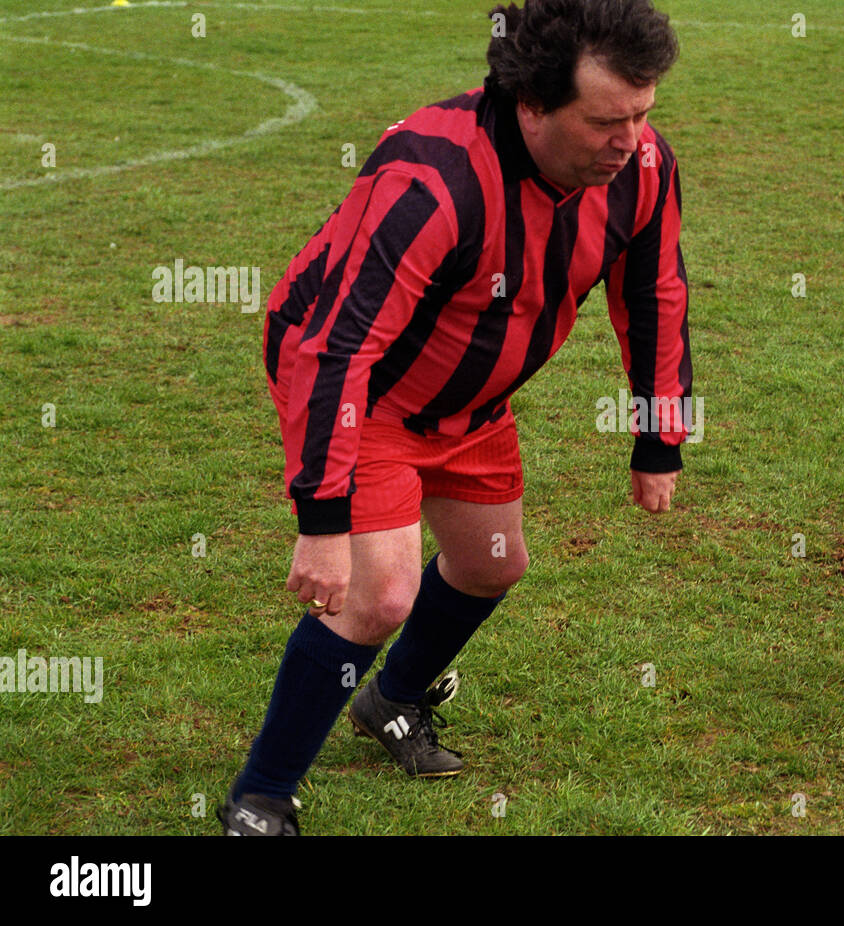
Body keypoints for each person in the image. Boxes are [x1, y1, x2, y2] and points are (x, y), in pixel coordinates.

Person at [219, 0, 691, 836]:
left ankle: (392, 700)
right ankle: (262, 795)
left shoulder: (643, 168)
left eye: (644, 113)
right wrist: (322, 517)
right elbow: (337, 350)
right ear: (533, 104)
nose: (631, 140)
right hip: (365, 394)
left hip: (470, 405)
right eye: (608, 120)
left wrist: (658, 435)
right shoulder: (431, 179)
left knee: (492, 564)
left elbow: (653, 297)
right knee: (380, 596)